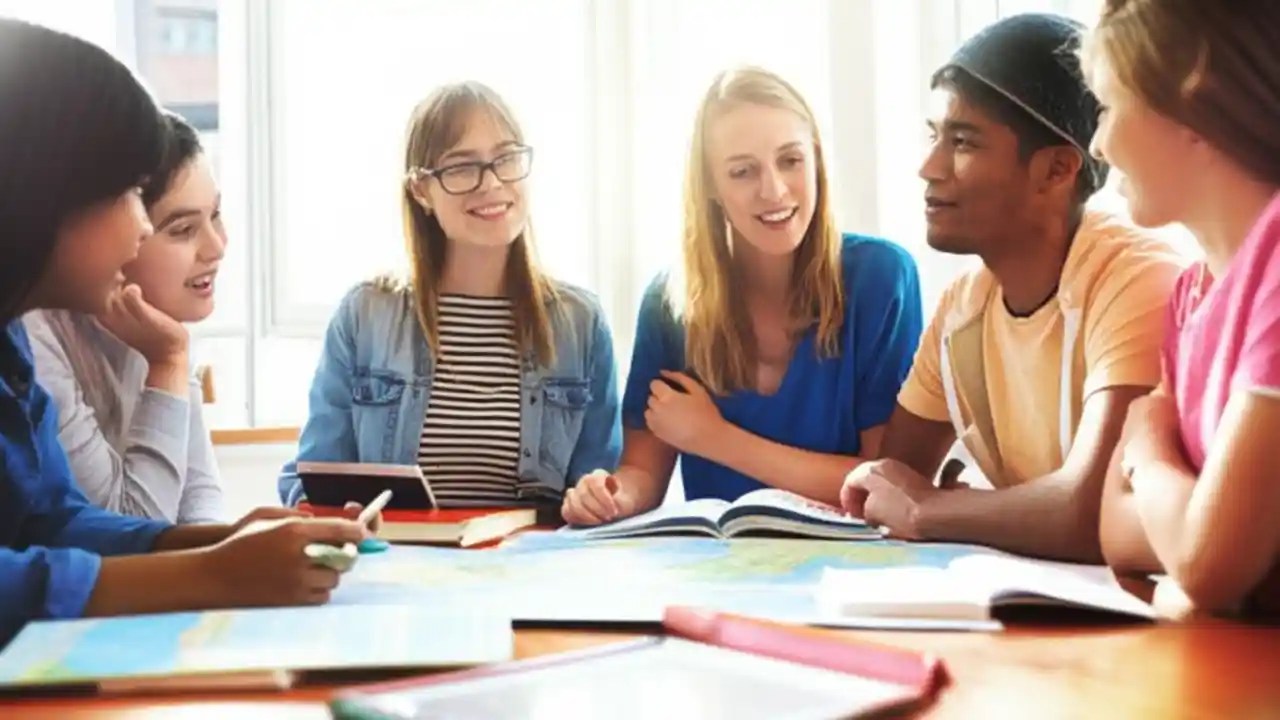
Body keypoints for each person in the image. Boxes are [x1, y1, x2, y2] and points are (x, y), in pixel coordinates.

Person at [0, 19, 367, 648]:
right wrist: (211, 573)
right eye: (128, 195)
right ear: (45, 197)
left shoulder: (12, 345)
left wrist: (226, 538)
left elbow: (51, 519)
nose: (141, 227)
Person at [840, 13, 1185, 561]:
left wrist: (932, 511)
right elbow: (889, 482)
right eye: (934, 136)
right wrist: (940, 504)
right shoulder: (963, 307)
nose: (928, 167)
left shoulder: (1137, 277)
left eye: (963, 142)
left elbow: (1090, 508)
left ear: (1056, 171)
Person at [562, 66, 923, 526]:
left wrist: (714, 438)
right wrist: (607, 495)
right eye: (742, 171)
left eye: (790, 160)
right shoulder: (671, 302)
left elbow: (884, 483)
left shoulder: (881, 278)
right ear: (711, 187)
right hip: (723, 572)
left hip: (852, 567)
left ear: (816, 161)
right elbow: (642, 476)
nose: (772, 190)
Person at [279, 81, 621, 509]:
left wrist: (594, 502)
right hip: (398, 563)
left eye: (506, 158)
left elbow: (600, 483)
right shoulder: (366, 315)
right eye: (461, 167)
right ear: (421, 190)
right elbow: (314, 478)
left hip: (533, 567)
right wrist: (327, 515)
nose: (492, 183)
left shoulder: (580, 323)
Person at [1086, 0, 1280, 615]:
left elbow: (1206, 565)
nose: (1097, 143)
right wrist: (1194, 541)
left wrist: (1146, 441)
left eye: (1108, 107)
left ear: (1191, 105)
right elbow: (1114, 531)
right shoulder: (1190, 295)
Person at [26, 113, 226, 523]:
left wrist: (232, 562)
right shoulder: (34, 333)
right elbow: (132, 525)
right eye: (183, 229)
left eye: (216, 215)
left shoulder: (157, 319)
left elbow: (199, 499)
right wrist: (168, 364)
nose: (217, 246)